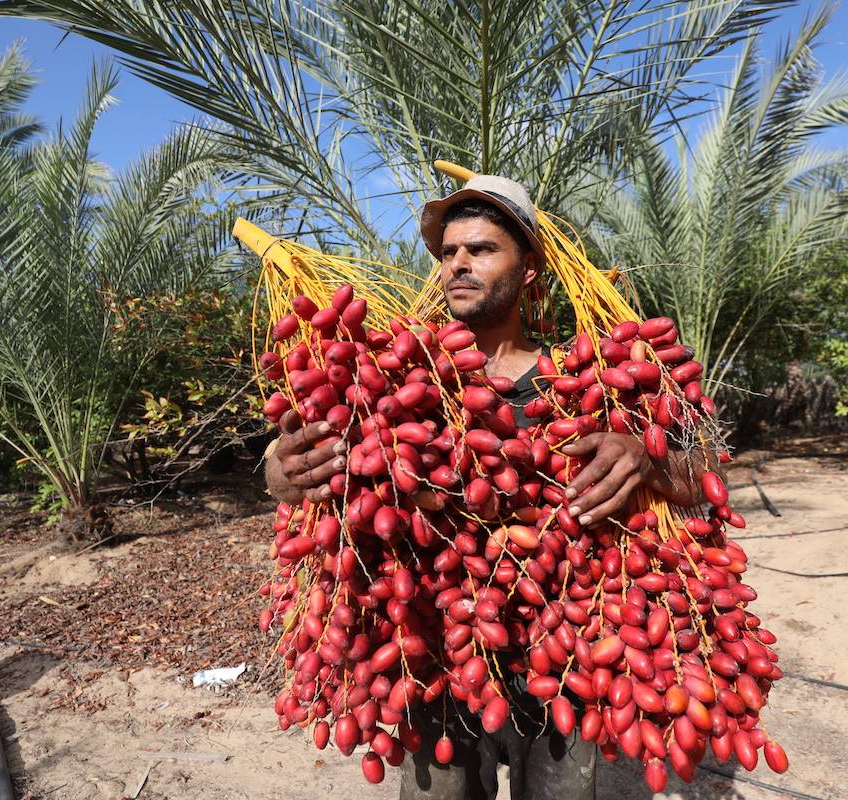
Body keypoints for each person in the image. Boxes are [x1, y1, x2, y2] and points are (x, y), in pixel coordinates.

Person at [264, 174, 722, 799]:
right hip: (436, 658)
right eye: (448, 251)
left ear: (528, 268)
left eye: (480, 249)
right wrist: (279, 473)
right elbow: (298, 450)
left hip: (566, 658)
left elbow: (708, 478)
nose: (458, 263)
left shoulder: (588, 376)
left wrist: (649, 462)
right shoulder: (397, 372)